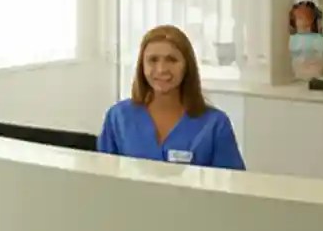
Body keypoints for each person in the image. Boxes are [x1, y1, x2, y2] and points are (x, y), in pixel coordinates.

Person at [98, 25, 245, 170]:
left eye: (172, 60)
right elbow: (103, 180)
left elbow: (232, 185)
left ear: (187, 66)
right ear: (142, 66)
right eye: (153, 60)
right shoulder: (118, 117)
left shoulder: (215, 125)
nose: (161, 69)